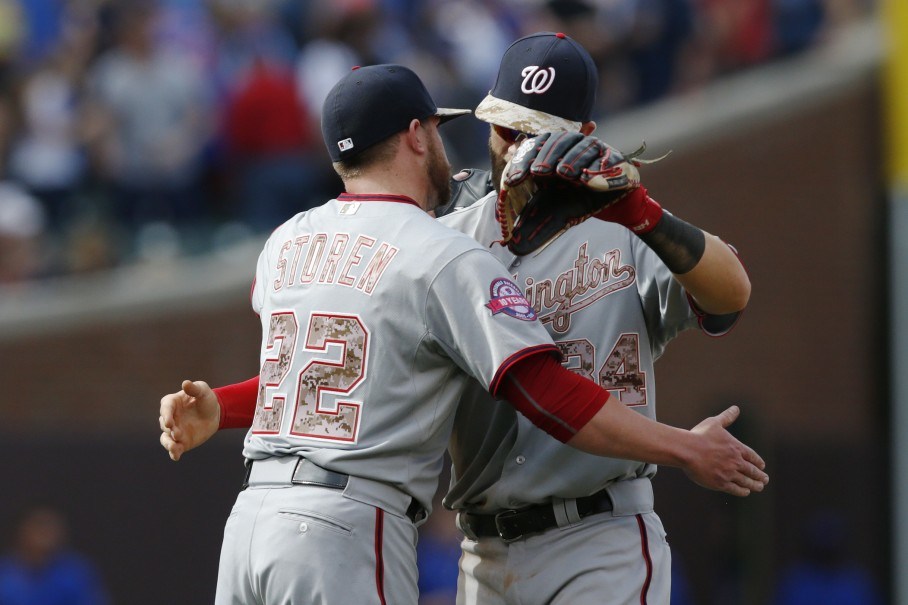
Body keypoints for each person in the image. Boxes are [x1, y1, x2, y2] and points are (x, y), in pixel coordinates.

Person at [159, 62, 767, 605]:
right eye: (505, 126)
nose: (517, 147)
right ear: (423, 135)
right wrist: (685, 446)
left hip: (596, 531)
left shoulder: (290, 239)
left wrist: (229, 407)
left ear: (584, 135)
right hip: (456, 540)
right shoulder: (446, 243)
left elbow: (731, 295)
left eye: (537, 131)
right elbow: (539, 390)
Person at [0, 506, 110, 605]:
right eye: (39, 530)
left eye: (49, 531)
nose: (44, 538)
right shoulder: (4, 572)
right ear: (23, 534)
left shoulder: (76, 572)